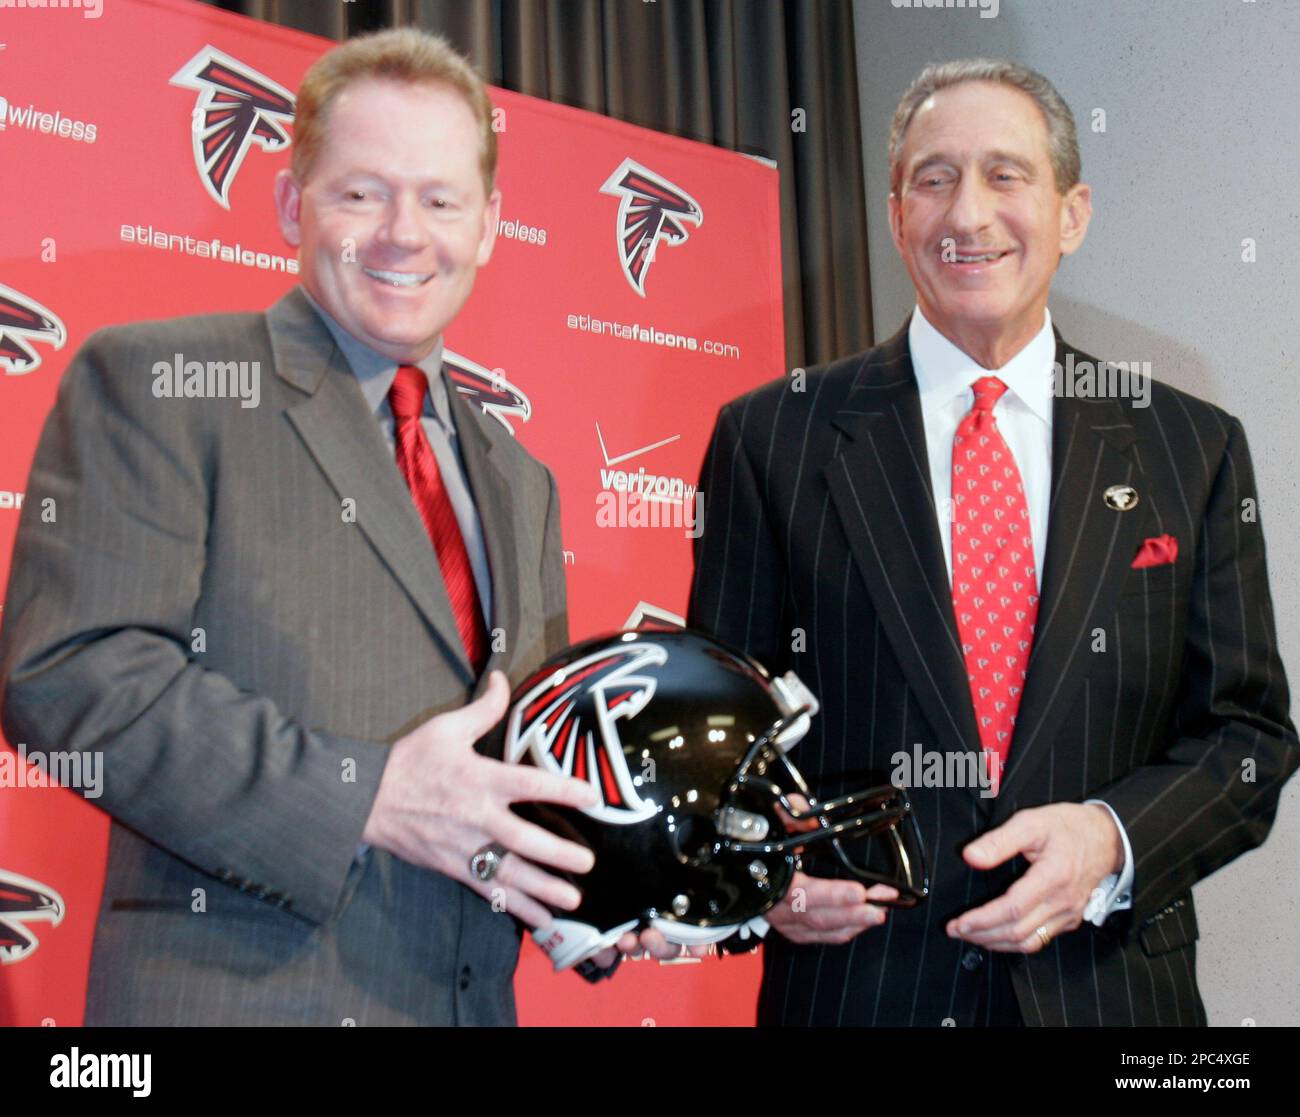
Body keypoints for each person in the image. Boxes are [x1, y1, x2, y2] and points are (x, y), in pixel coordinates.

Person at [0, 28, 659, 1027]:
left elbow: (513, 768)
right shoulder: (161, 385)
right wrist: (368, 796)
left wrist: (616, 887)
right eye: (361, 192)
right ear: (287, 204)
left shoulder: (519, 481)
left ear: (488, 226)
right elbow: (71, 676)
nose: (404, 232)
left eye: (441, 199)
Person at [688, 58, 1299, 1026]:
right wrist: (763, 878)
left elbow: (1251, 737)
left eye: (1006, 175)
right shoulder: (772, 439)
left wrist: (1109, 840)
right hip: (858, 993)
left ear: (1071, 212)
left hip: (1114, 1000)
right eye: (933, 178)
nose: (966, 214)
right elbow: (714, 742)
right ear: (896, 216)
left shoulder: (1191, 446)